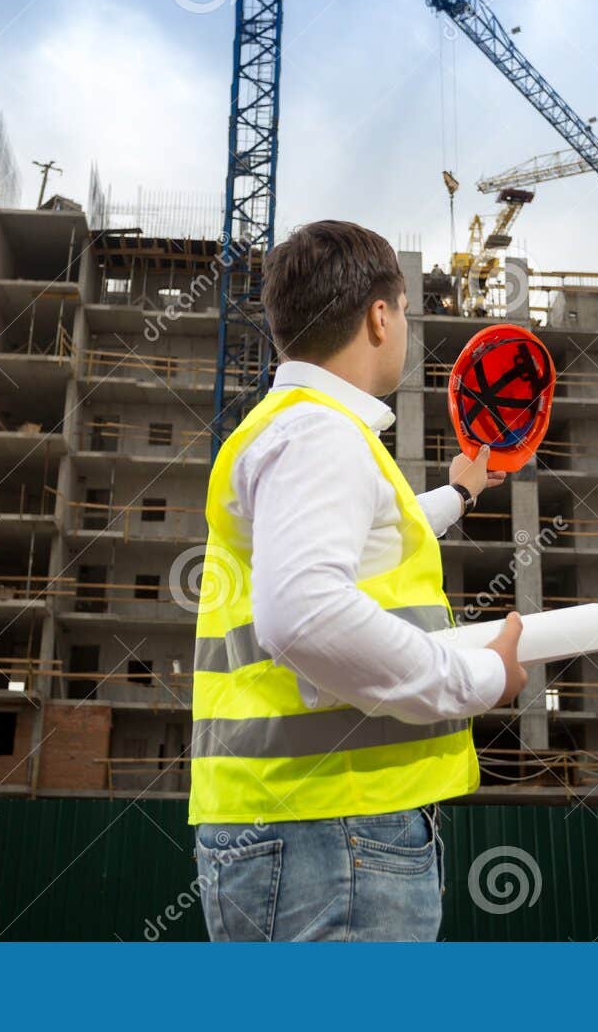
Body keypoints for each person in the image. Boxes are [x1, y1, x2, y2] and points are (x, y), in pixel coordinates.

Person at [189, 220, 526, 942]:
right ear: (380, 316)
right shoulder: (322, 436)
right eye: (403, 310)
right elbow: (304, 612)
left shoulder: (293, 429)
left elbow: (378, 533)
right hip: (333, 833)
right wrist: (478, 680)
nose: (402, 324)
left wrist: (460, 493)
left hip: (298, 823)